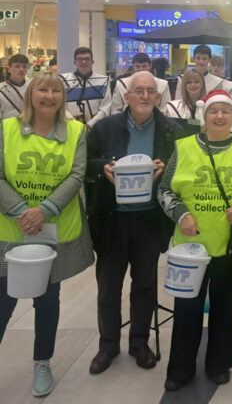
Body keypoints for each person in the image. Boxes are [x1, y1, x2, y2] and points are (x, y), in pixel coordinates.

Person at [158, 90, 232, 390]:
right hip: (189, 248)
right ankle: (180, 369)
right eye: (213, 112)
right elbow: (165, 190)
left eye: (225, 112)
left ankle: (219, 364)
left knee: (225, 307)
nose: (219, 117)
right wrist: (182, 214)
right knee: (187, 309)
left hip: (229, 244)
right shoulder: (183, 147)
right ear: (203, 118)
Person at [0, 73, 94, 397]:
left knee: (47, 299)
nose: (49, 95)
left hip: (53, 229)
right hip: (10, 229)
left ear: (62, 98)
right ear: (30, 94)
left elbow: (77, 174)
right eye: (43, 89)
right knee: (3, 298)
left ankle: (42, 361)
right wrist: (22, 212)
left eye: (56, 90)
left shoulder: (76, 131)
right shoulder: (6, 129)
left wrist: (44, 210)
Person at [85, 71, 181, 375]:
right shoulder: (104, 128)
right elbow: (83, 164)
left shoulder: (171, 131)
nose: (145, 96)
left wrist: (168, 169)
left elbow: (185, 171)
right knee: (108, 286)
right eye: (138, 90)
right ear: (126, 97)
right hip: (112, 220)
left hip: (150, 219)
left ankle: (139, 341)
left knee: (145, 283)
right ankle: (108, 344)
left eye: (150, 90)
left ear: (158, 96)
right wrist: (104, 168)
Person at [59, 47, 112, 127]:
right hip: (71, 126)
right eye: (80, 59)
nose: (84, 62)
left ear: (92, 62)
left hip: (95, 127)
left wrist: (90, 124)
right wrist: (74, 123)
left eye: (87, 59)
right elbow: (61, 106)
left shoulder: (103, 81)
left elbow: (105, 108)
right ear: (74, 62)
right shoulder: (63, 80)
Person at [0, 54, 29, 119]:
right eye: (17, 66)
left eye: (24, 67)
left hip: (28, 125)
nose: (21, 69)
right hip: (8, 127)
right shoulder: (1, 88)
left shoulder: (33, 86)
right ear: (9, 69)